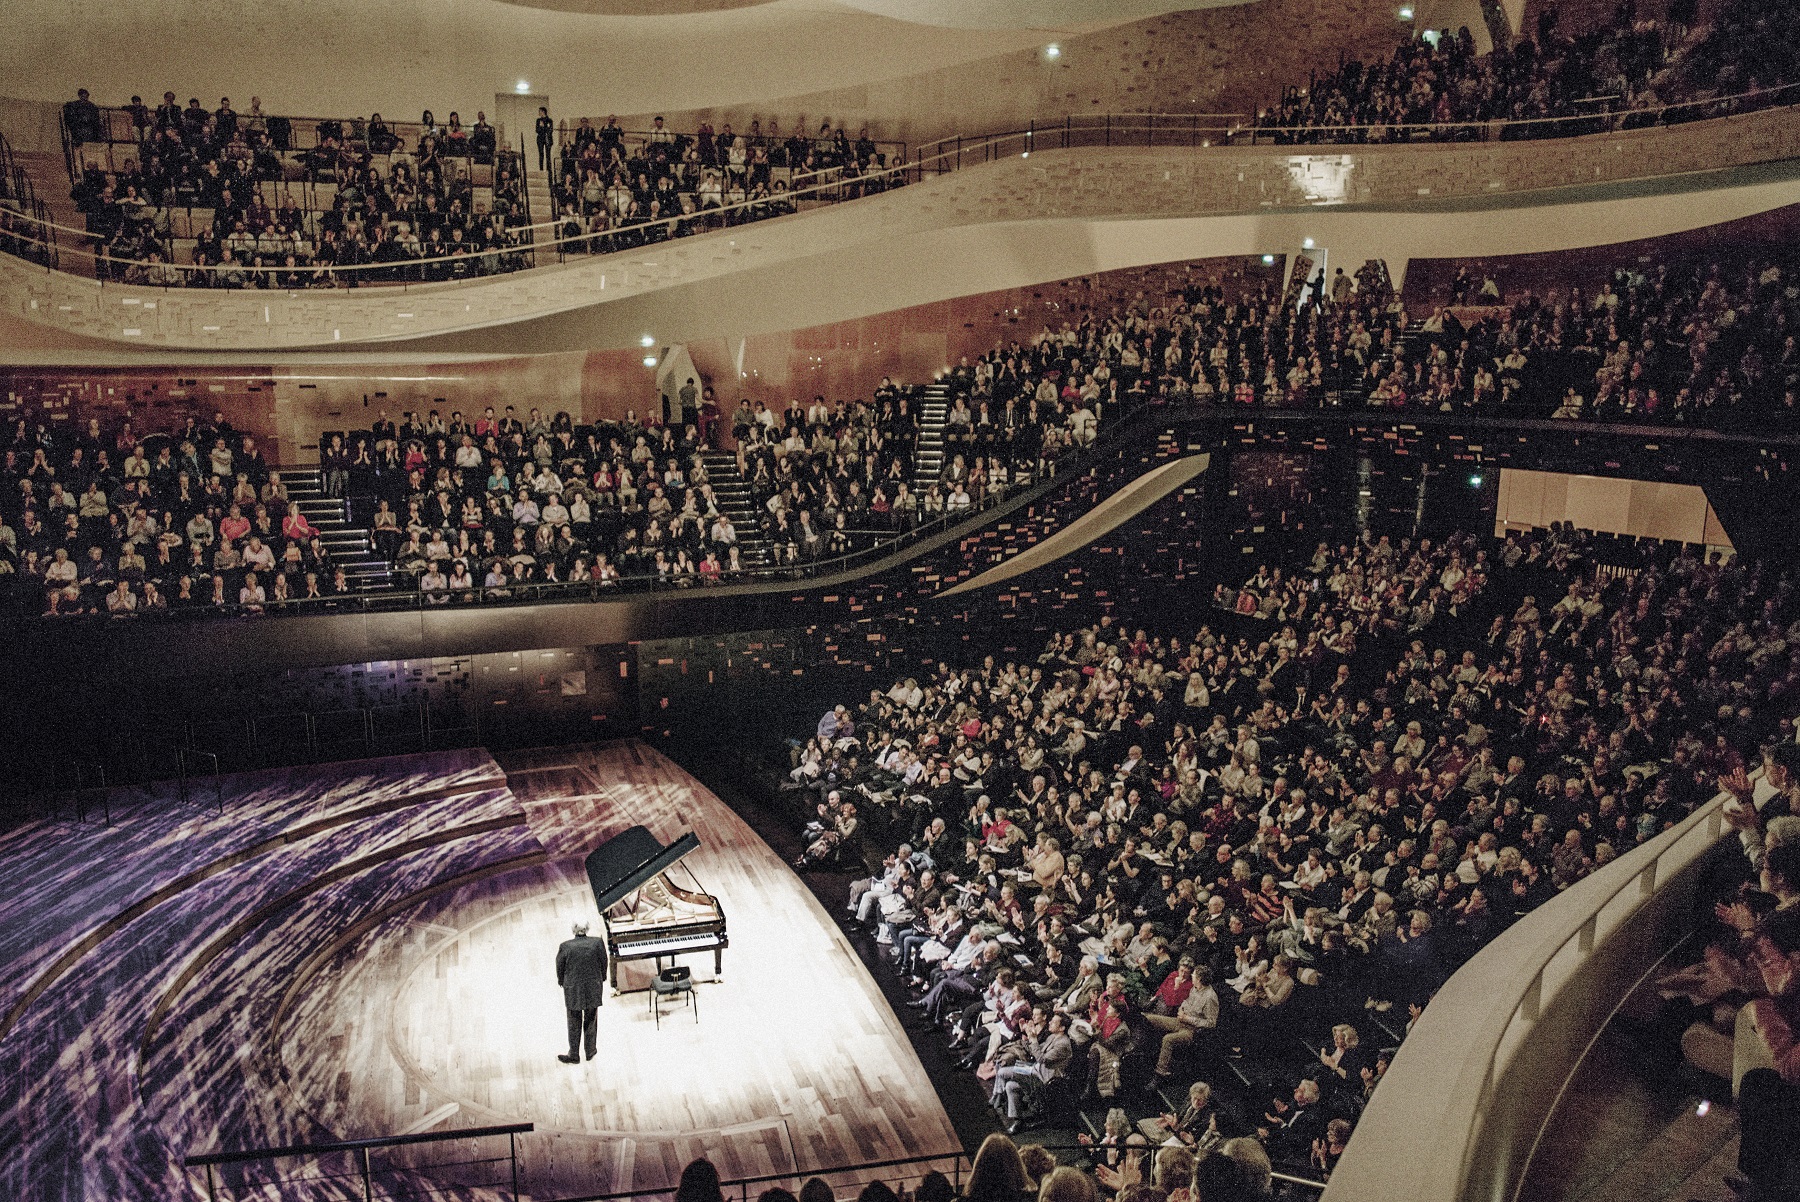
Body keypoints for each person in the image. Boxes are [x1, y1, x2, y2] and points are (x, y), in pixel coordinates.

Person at [555, 920, 608, 1064]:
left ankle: (574, 1054)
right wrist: (602, 978)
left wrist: (561, 981)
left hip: (573, 988)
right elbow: (604, 962)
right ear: (587, 929)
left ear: (573, 930)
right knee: (591, 1018)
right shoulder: (597, 943)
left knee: (573, 1020)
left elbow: (560, 967)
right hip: (593, 986)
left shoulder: (565, 946)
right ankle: (590, 1051)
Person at [536, 106, 555, 173]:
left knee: (548, 155)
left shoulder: (549, 120)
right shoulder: (538, 120)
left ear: (543, 112)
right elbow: (537, 130)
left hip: (547, 139)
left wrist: (543, 126)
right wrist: (542, 128)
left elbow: (550, 130)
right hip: (540, 139)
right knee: (541, 154)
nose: (539, 113)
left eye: (540, 111)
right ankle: (541, 169)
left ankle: (548, 170)